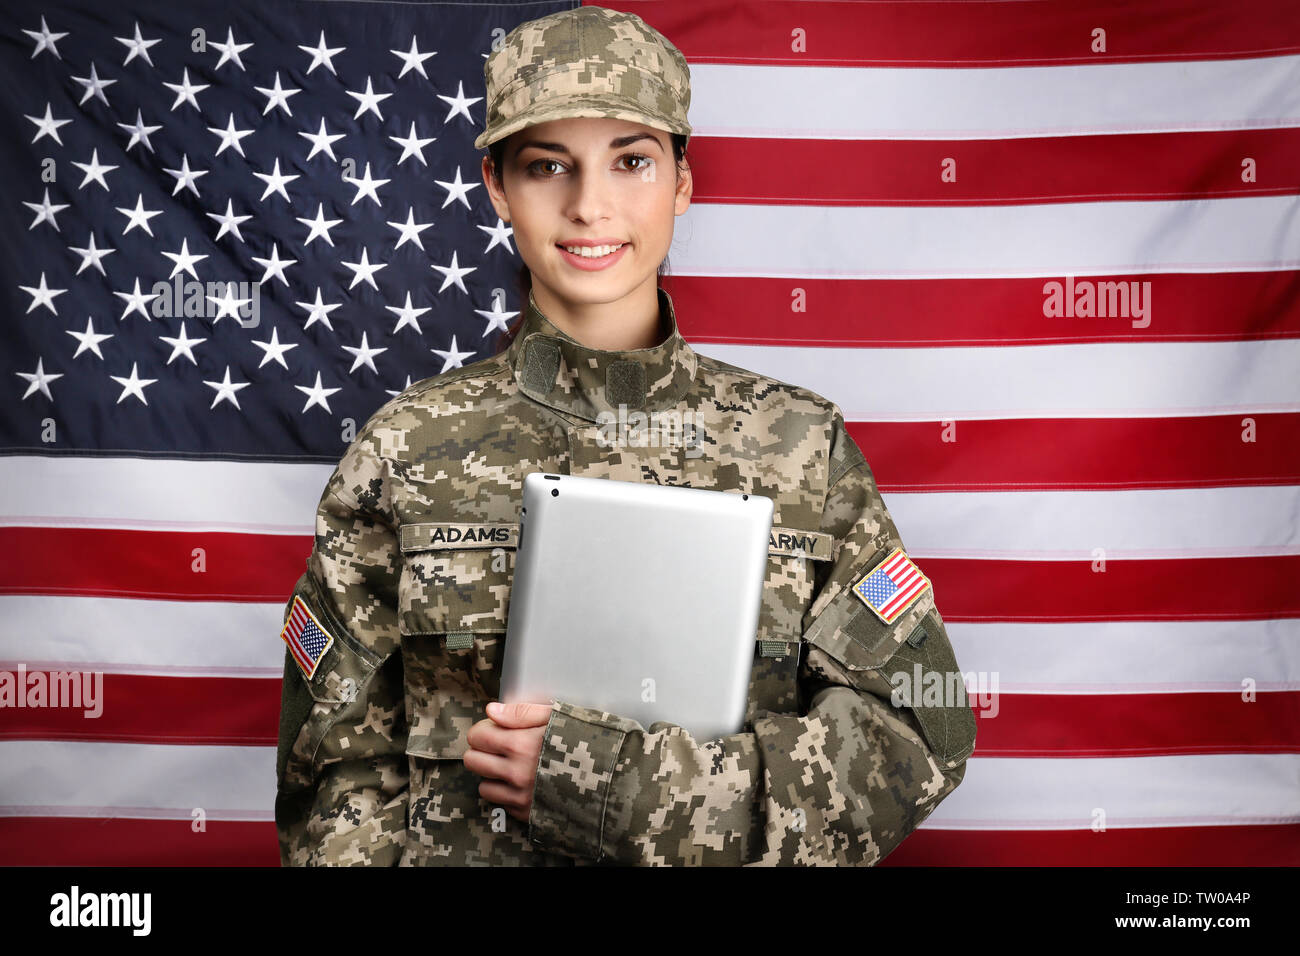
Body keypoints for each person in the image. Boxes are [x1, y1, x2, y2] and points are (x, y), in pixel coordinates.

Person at [274, 5, 976, 866]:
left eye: (632, 161)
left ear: (682, 182)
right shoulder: (403, 451)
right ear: (496, 187)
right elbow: (331, 786)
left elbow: (917, 729)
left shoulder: (801, 446)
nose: (589, 206)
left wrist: (604, 783)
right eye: (547, 167)